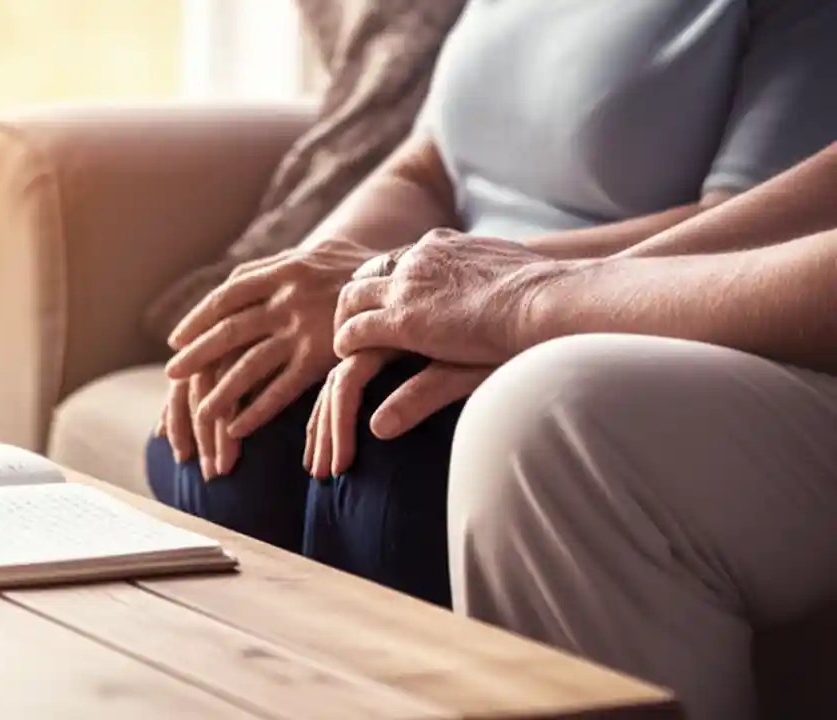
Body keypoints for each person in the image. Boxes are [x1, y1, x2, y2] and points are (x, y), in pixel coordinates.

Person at [147, 3, 836, 714]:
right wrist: (315, 284)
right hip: (455, 285)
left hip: (617, 309)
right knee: (230, 432)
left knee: (385, 461)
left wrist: (462, 293)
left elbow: (744, 232)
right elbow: (426, 168)